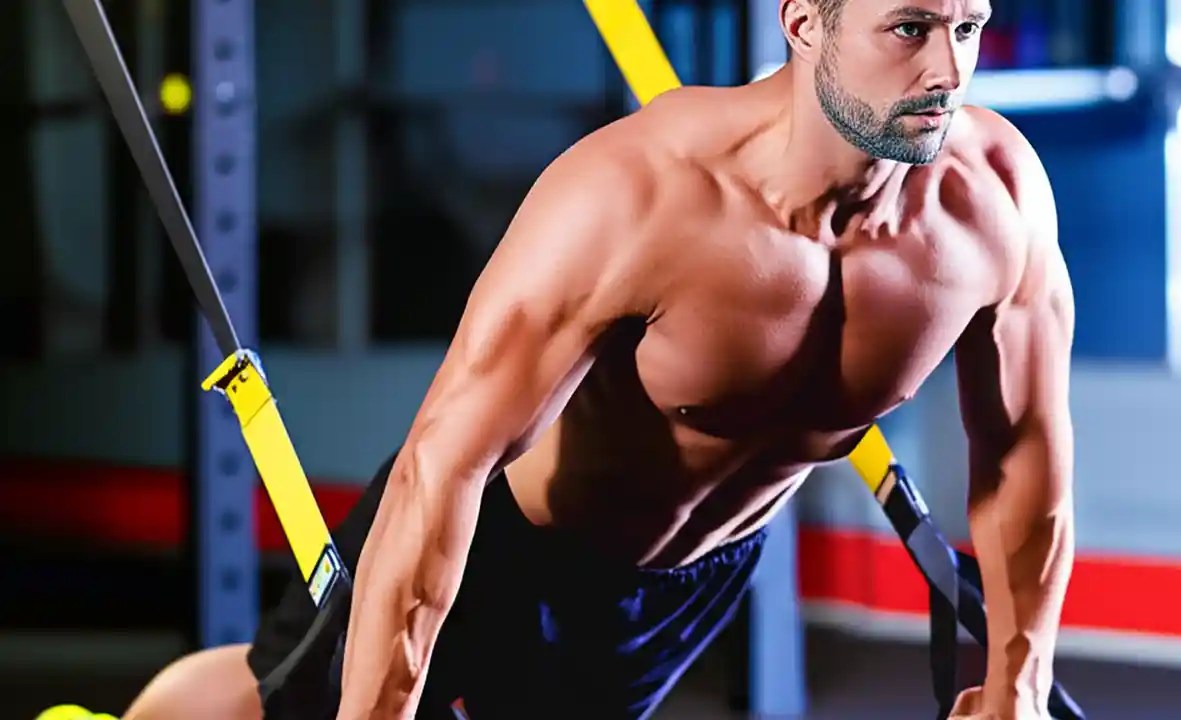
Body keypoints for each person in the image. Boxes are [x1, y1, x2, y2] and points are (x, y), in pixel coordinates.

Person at [123, 0, 1075, 718]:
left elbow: (1022, 452)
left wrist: (1020, 682)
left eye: (968, 28)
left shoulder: (995, 205)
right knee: (268, 707)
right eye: (909, 29)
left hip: (682, 595)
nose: (949, 69)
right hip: (495, 544)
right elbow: (444, 464)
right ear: (802, 24)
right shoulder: (639, 195)